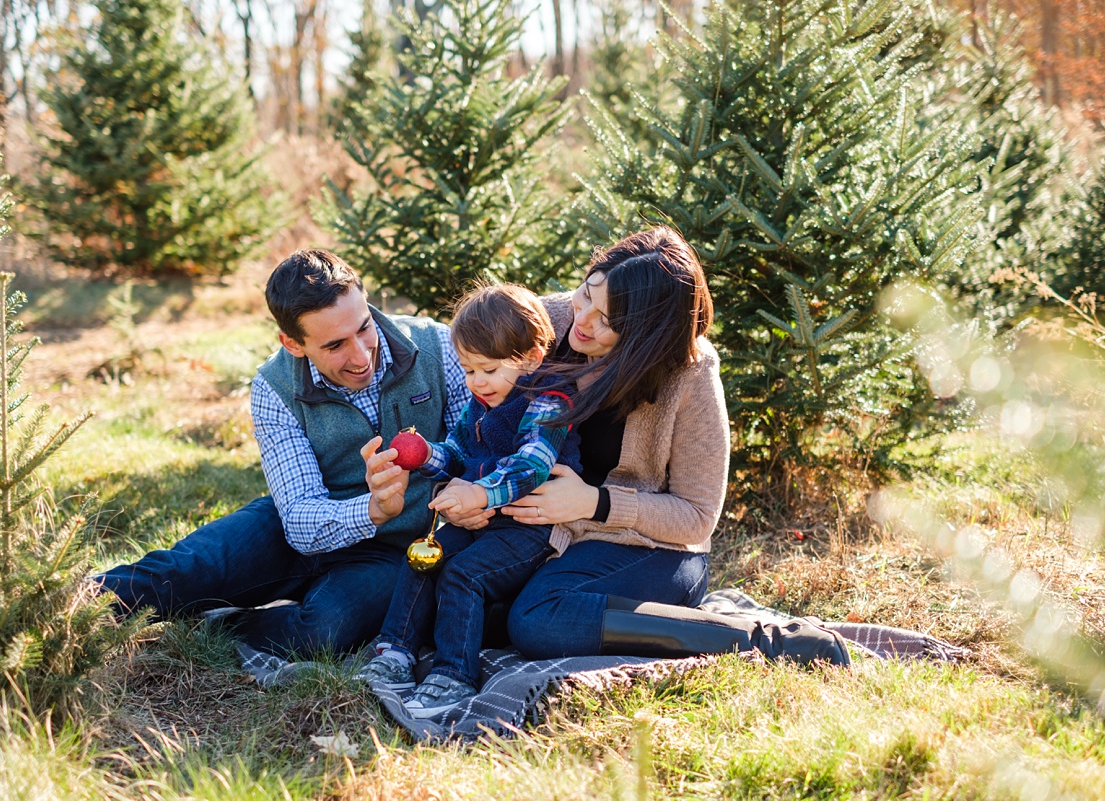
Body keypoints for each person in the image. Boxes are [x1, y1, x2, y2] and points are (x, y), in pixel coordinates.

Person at [365, 227, 849, 667]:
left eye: (608, 320)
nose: (584, 322)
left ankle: (768, 640)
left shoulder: (691, 376)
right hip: (545, 541)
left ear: (647, 334)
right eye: (586, 295)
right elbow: (475, 391)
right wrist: (467, 493)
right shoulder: (546, 326)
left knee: (537, 621)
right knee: (465, 604)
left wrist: (594, 503)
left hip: (649, 550)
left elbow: (697, 516)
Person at [96, 248, 470, 658]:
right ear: (292, 343)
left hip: (392, 550)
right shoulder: (274, 388)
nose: (361, 356)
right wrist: (373, 509)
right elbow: (296, 516)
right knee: (186, 570)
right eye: (334, 345)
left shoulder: (437, 348)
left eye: (364, 328)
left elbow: (472, 455)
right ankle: (59, 611)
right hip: (298, 525)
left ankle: (224, 624)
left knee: (324, 630)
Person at [357, 283, 581, 717]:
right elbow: (459, 453)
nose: (476, 382)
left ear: (531, 358)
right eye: (468, 370)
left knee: (464, 573)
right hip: (483, 517)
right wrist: (424, 455)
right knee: (424, 556)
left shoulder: (548, 401)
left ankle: (454, 674)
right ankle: (396, 653)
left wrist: (479, 493)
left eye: (488, 369)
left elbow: (530, 466)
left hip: (529, 526)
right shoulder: (480, 404)